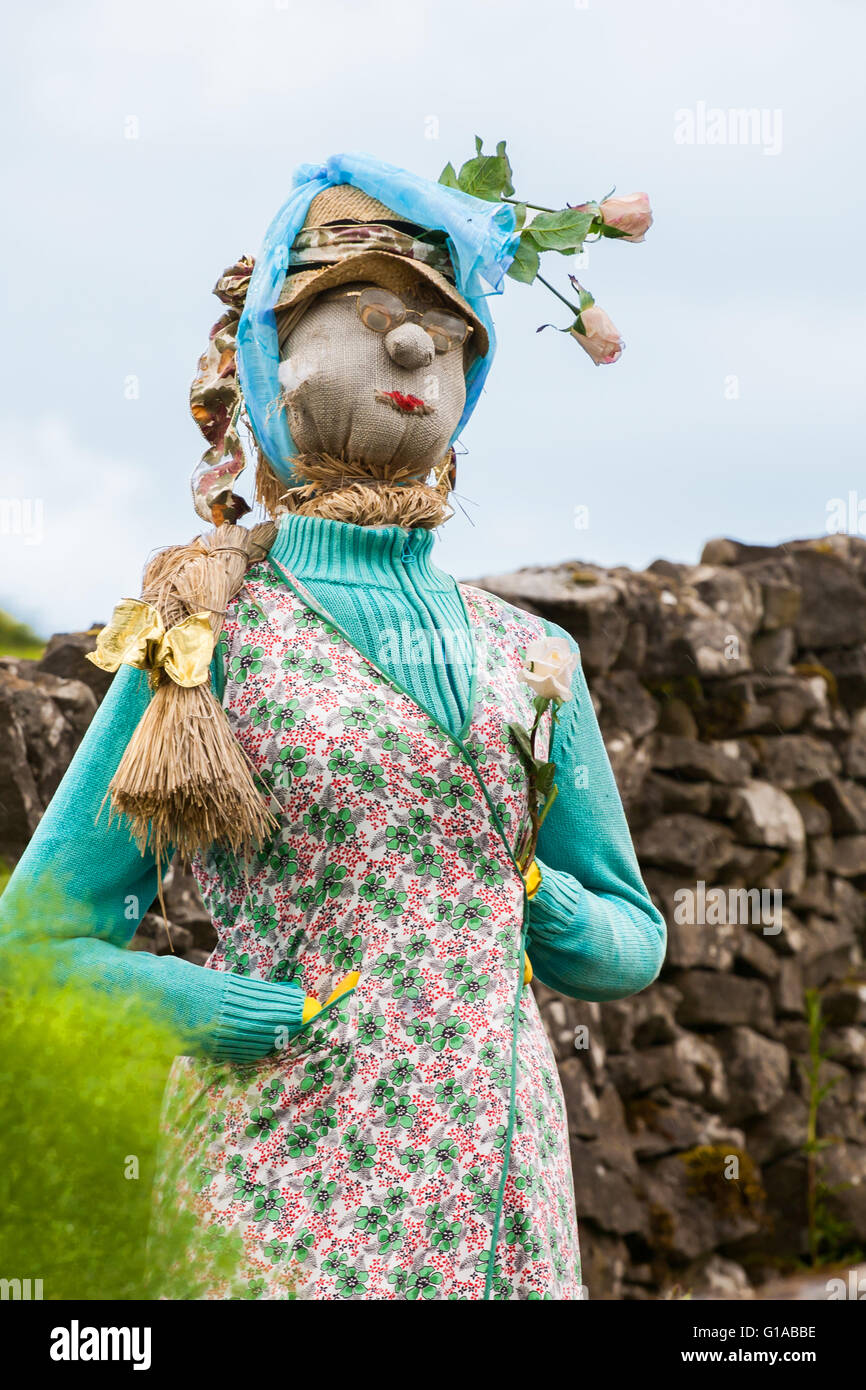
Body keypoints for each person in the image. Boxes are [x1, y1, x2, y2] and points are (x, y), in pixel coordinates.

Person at [0, 155, 665, 1300]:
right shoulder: (207, 631)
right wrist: (226, 1011)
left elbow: (633, 934)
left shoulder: (532, 658)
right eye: (363, 319)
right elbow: (36, 945)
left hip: (502, 1198)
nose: (411, 351)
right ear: (267, 358)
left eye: (443, 333)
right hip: (282, 1187)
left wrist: (537, 899)